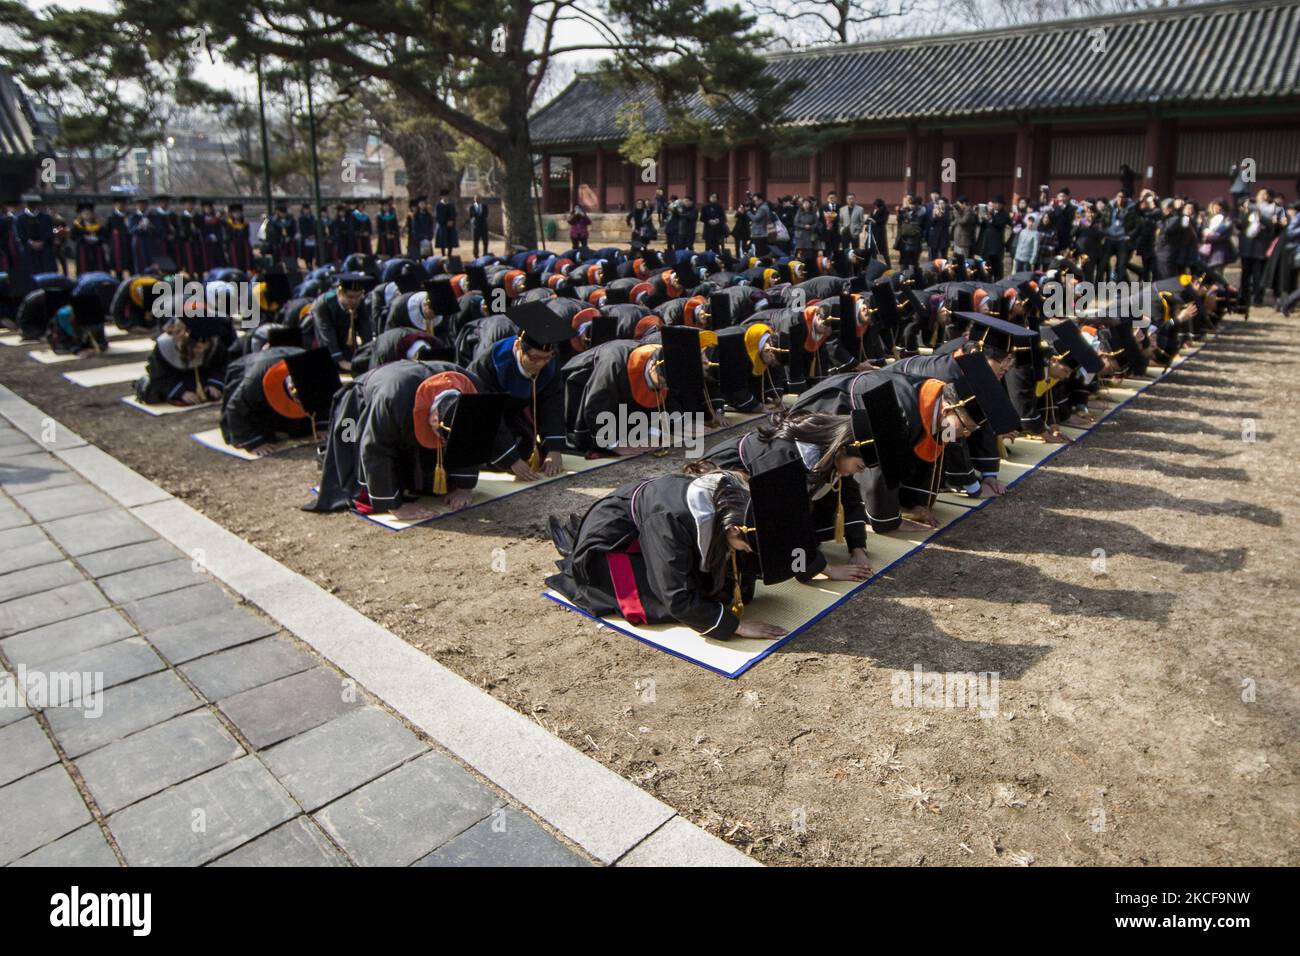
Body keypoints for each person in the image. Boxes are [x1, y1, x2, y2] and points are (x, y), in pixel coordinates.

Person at [545, 466, 786, 640]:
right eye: (744, 544)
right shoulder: (669, 521)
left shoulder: (734, 494)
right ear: (733, 528)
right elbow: (676, 597)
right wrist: (735, 626)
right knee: (665, 601)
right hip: (617, 543)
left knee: (722, 589)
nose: (746, 550)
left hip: (656, 530)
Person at [704, 410, 875, 582]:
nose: (858, 472)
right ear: (842, 449)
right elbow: (786, 520)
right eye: (859, 466)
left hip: (774, 491)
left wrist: (857, 548)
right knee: (756, 561)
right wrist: (826, 569)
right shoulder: (783, 457)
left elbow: (848, 495)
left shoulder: (831, 452)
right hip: (726, 484)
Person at [308, 361, 492, 517]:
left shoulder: (471, 389)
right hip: (368, 394)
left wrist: (464, 486)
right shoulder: (392, 399)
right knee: (356, 467)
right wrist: (393, 505)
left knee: (428, 481)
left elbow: (471, 436)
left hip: (409, 384)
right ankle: (325, 456)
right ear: (435, 419)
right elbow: (374, 448)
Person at [466, 301, 567, 481]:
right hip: (483, 417)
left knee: (528, 452)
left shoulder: (550, 361)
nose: (541, 364)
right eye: (535, 358)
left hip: (514, 413)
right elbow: (488, 413)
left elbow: (552, 401)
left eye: (547, 358)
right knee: (500, 459)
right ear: (518, 347)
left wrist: (554, 448)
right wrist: (510, 459)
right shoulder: (489, 363)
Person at [135, 315, 229, 406]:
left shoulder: (214, 342)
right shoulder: (165, 345)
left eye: (204, 345)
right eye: (196, 347)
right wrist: (181, 393)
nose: (201, 350)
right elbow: (160, 376)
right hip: (175, 380)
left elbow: (222, 365)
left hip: (204, 378)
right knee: (153, 393)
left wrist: (215, 384)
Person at [310, 273, 374, 371]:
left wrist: (369, 354)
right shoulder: (323, 304)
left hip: (346, 343)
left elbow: (365, 328)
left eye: (358, 296)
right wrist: (340, 361)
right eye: (350, 297)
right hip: (323, 343)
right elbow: (327, 332)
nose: (354, 301)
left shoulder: (359, 302)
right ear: (340, 293)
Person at [1098, 190, 1138, 282]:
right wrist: (1104, 231)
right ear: (1116, 197)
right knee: (1102, 263)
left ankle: (1120, 290)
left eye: (1123, 197)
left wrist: (1130, 236)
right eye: (1119, 196)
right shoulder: (1110, 207)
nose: (1120, 199)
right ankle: (1098, 287)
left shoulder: (1131, 209)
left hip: (1122, 240)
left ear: (1126, 199)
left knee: (1121, 265)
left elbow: (1137, 225)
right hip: (1110, 238)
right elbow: (1102, 220)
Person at [975, 195, 1010, 280]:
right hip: (987, 243)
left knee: (996, 265)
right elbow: (981, 225)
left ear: (1002, 205)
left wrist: (991, 219)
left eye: (998, 204)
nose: (996, 205)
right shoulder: (990, 212)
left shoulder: (1004, 214)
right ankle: (986, 280)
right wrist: (979, 217)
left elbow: (1000, 224)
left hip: (996, 244)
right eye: (995, 203)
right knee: (986, 264)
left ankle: (998, 281)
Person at [69, 203, 107, 275]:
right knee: (84, 269)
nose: (87, 215)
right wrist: (83, 239)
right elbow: (73, 236)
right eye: (85, 213)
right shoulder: (77, 226)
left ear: (93, 214)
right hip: (83, 251)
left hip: (96, 251)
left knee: (98, 268)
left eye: (89, 213)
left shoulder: (98, 226)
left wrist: (98, 239)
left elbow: (104, 237)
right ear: (81, 215)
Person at [894, 193, 924, 269]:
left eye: (912, 203)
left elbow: (921, 224)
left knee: (913, 260)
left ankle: (912, 275)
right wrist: (899, 212)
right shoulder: (903, 211)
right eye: (910, 203)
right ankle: (903, 274)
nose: (911, 205)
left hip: (915, 240)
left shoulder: (920, 212)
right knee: (903, 260)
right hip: (904, 239)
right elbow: (899, 221)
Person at [104, 197, 131, 279]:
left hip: (128, 246)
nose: (121, 206)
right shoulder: (111, 218)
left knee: (130, 266)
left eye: (123, 204)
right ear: (115, 205)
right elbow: (106, 233)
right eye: (119, 204)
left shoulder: (129, 216)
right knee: (118, 268)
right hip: (117, 247)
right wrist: (111, 243)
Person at [226, 203, 255, 272]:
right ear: (231, 214)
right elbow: (228, 237)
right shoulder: (228, 224)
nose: (237, 214)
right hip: (234, 247)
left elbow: (247, 236)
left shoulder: (245, 224)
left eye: (239, 212)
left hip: (244, 247)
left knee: (246, 264)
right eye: (235, 213)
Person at [748, 193, 773, 257]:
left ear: (760, 200)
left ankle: (761, 265)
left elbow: (755, 219)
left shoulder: (762, 208)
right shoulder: (763, 207)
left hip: (760, 234)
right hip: (761, 233)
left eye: (755, 200)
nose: (754, 202)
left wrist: (748, 212)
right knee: (761, 253)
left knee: (759, 254)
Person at [869, 198, 890, 265]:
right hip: (873, 232)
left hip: (880, 232)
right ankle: (874, 264)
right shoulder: (874, 210)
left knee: (884, 250)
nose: (875, 207)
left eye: (876, 206)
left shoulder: (885, 211)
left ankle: (888, 265)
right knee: (873, 249)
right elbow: (870, 217)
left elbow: (883, 221)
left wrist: (875, 221)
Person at [297, 203, 318, 268]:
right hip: (305, 238)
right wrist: (307, 236)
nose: (306, 211)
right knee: (306, 252)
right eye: (305, 209)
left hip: (312, 237)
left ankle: (311, 263)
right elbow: (301, 229)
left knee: (312, 252)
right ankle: (307, 263)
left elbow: (314, 227)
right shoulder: (301, 218)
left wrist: (313, 235)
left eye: (307, 209)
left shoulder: (312, 217)